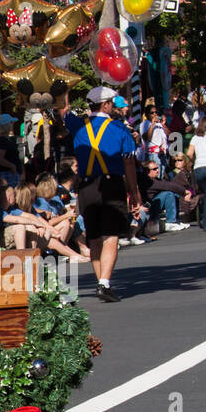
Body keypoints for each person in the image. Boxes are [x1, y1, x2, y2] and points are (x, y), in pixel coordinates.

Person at [73, 86, 142, 302]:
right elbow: (129, 162)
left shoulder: (78, 129)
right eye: (112, 103)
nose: (113, 106)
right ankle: (104, 283)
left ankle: (101, 281)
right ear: (105, 105)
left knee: (94, 237)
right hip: (111, 185)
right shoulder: (120, 129)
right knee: (110, 235)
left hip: (86, 186)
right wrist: (134, 192)